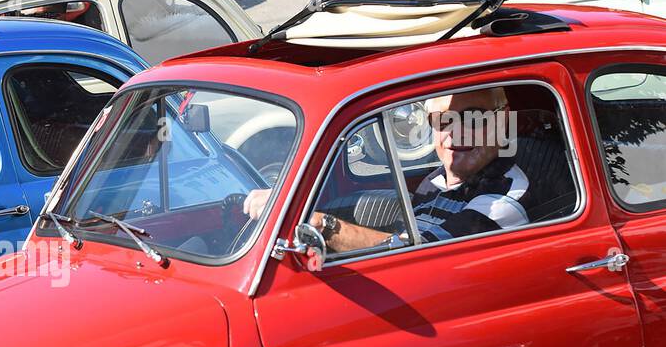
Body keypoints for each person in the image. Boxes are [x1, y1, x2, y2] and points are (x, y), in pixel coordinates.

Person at [243, 88, 569, 252]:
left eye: (473, 118)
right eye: (443, 121)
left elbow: (421, 255)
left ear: (501, 118)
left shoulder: (505, 198)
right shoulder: (436, 180)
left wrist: (314, 223)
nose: (455, 133)